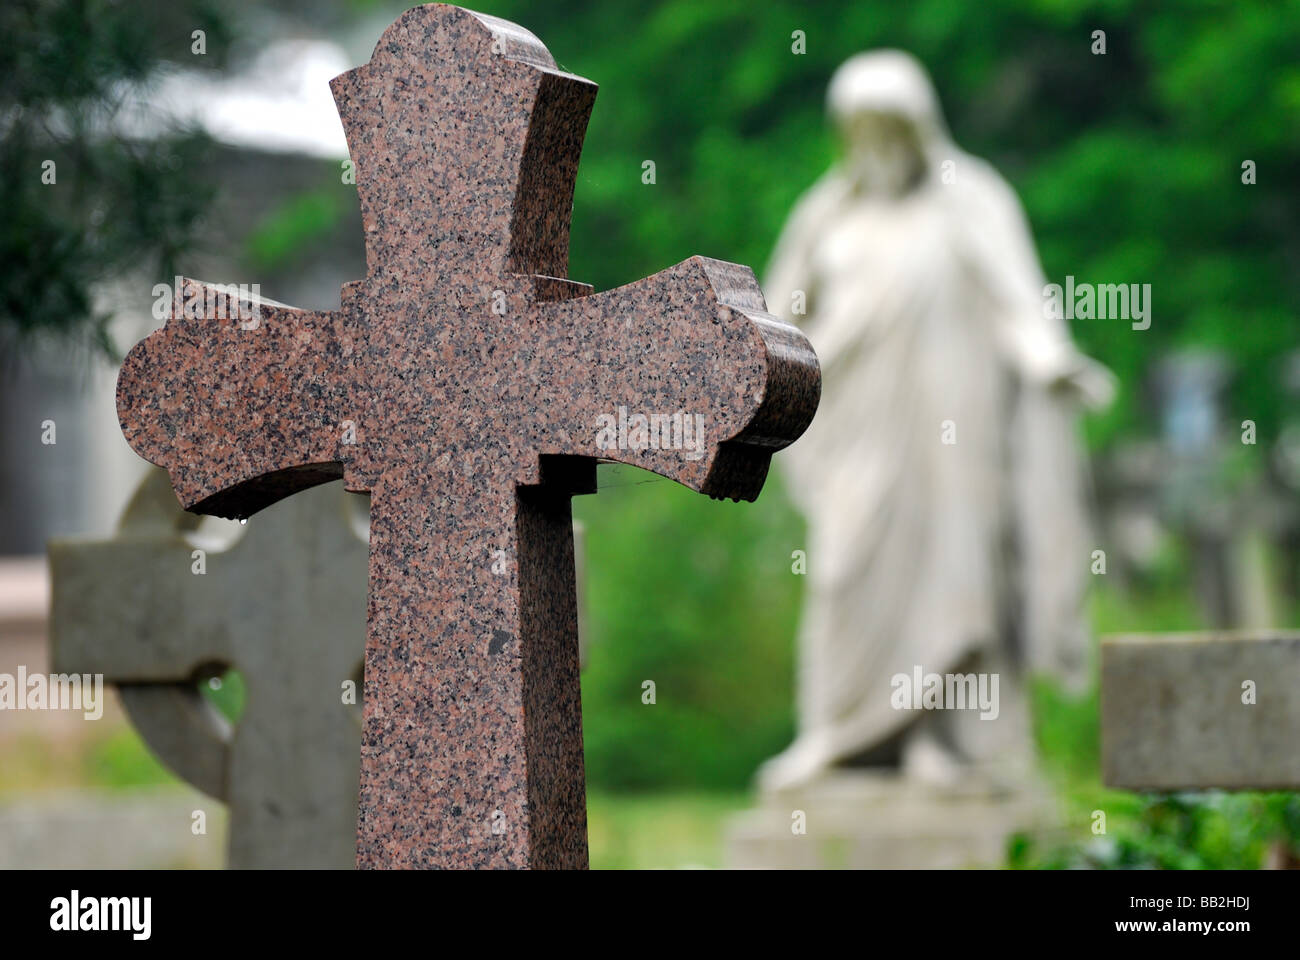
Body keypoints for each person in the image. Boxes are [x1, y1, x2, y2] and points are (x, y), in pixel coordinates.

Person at [760, 50, 1113, 792]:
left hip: (954, 433)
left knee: (958, 577)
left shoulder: (970, 200)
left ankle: (946, 744)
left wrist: (1053, 364)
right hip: (855, 435)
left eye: (894, 131)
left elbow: (1019, 301)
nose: (880, 149)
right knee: (844, 568)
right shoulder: (826, 214)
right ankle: (840, 734)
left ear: (923, 130)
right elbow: (776, 322)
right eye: (864, 133)